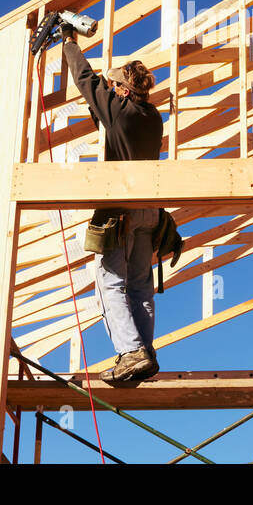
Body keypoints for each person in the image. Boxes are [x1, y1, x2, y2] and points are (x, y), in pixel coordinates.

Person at [61, 23, 164, 382]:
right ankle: (144, 352)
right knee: (139, 284)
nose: (109, 89)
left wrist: (69, 42)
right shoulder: (153, 118)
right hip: (149, 214)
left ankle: (131, 352)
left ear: (122, 89)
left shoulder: (118, 110)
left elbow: (84, 78)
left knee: (109, 281)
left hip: (121, 210)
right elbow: (115, 126)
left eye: (114, 86)